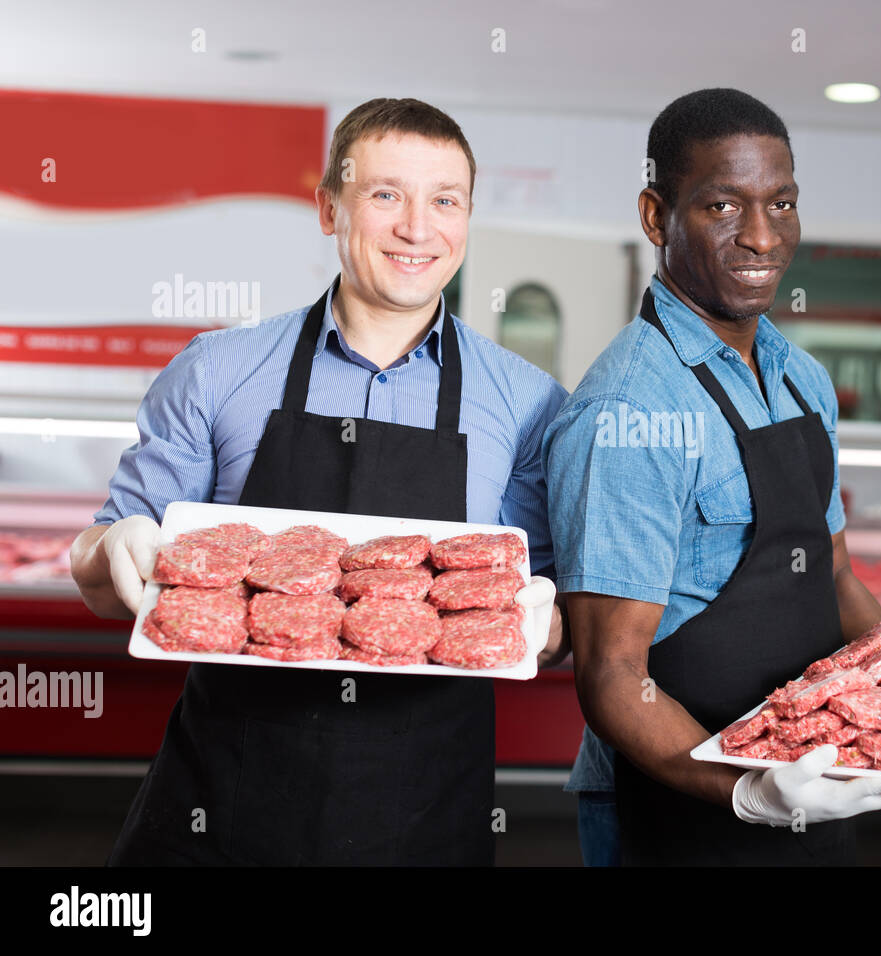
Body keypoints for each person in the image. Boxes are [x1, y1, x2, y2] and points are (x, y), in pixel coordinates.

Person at [70, 98, 568, 866]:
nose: (417, 227)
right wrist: (110, 549)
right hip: (227, 800)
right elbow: (105, 583)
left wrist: (550, 621)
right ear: (329, 207)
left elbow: (549, 610)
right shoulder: (216, 371)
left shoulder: (529, 402)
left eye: (445, 201)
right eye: (385, 195)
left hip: (425, 807)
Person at [544, 88, 881, 867]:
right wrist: (747, 788)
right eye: (723, 206)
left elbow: (832, 575)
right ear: (657, 217)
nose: (762, 236)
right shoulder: (629, 407)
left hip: (813, 776)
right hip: (680, 801)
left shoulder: (802, 379)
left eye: (782, 203)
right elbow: (610, 673)